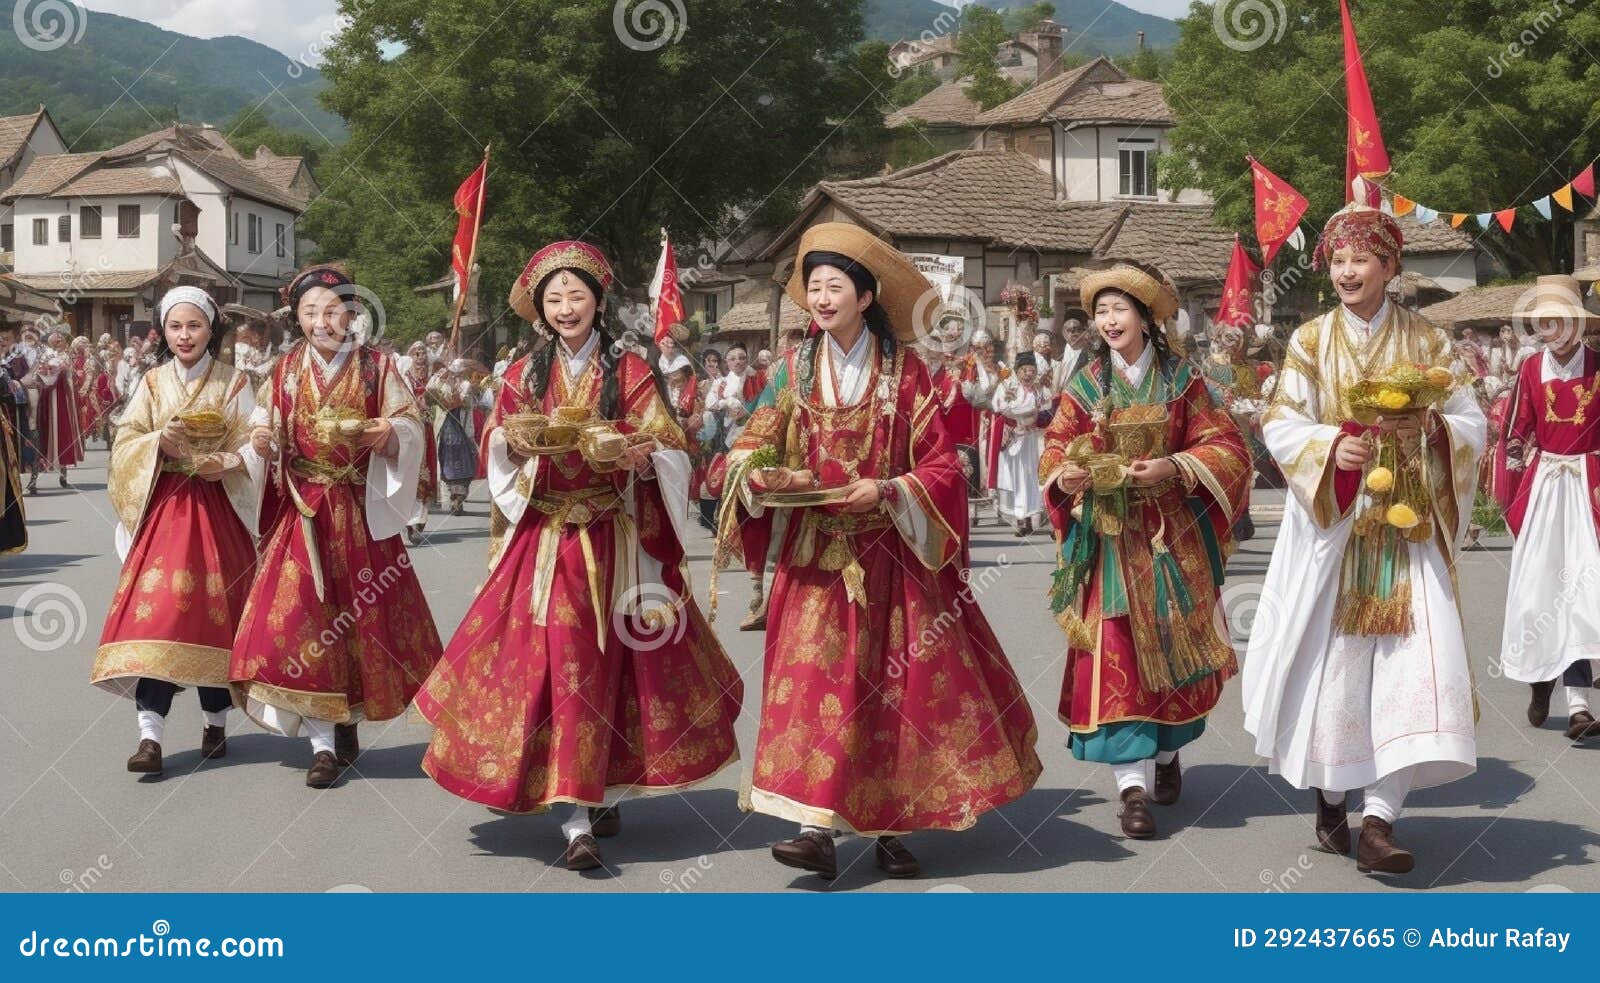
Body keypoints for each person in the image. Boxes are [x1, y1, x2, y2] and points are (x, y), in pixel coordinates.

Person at [715, 223, 1041, 881]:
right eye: (814, 286)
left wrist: (890, 488)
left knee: (895, 690)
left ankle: (894, 825)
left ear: (866, 296)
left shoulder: (906, 372)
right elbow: (754, 444)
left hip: (892, 553)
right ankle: (816, 827)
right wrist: (759, 473)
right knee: (816, 688)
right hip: (814, 558)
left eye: (836, 285)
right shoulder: (790, 370)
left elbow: (945, 467)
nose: (823, 296)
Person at [415, 241, 742, 872]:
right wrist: (513, 443)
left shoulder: (631, 372)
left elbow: (671, 445)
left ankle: (604, 785)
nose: (567, 308)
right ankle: (572, 815)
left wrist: (638, 455)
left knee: (618, 663)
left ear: (599, 302)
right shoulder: (521, 375)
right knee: (562, 663)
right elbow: (500, 441)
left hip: (616, 538)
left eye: (578, 295)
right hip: (548, 541)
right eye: (555, 298)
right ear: (540, 309)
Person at [1243, 204, 1485, 876]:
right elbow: (1282, 418)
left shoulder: (1429, 342)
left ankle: (1379, 818)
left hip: (1409, 530)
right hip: (1337, 528)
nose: (1348, 271)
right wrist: (1330, 448)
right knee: (1335, 667)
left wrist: (1433, 433)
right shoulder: (1312, 341)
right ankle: (1330, 791)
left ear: (1390, 265)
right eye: (1339, 260)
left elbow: (1469, 420)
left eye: (1362, 259)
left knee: (1417, 663)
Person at [1041, 265, 1250, 839]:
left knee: (1174, 648)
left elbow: (1227, 445)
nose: (1109, 322)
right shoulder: (1084, 386)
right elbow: (1056, 447)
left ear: (1145, 316)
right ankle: (1131, 789)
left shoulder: (1183, 379)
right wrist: (1067, 476)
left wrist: (1176, 465)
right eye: (1100, 313)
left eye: (1120, 310)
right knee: (1117, 653)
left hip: (1171, 536)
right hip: (1108, 538)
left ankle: (1165, 755)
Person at [231, 264, 443, 789]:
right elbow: (265, 421)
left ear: (352, 313)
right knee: (301, 618)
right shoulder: (284, 371)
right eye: (310, 312)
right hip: (302, 508)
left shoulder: (378, 367)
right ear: (296, 319)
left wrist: (389, 432)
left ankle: (349, 714)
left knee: (360, 620)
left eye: (333, 310)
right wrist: (261, 441)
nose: (322, 321)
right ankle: (323, 741)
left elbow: (413, 425)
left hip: (358, 508)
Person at [90, 287, 262, 775]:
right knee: (159, 617)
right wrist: (155, 442)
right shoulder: (151, 382)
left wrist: (226, 460)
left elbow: (254, 441)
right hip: (165, 510)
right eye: (175, 327)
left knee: (214, 617)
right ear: (163, 331)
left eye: (194, 326)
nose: (184, 335)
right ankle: (150, 736)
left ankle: (215, 722)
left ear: (211, 329)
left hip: (218, 510)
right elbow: (125, 442)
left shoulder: (234, 382)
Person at [1495, 275, 1600, 740]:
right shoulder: (1531, 369)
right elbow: (1517, 428)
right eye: (1546, 322)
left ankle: (1579, 705)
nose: (1554, 330)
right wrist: (1515, 457)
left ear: (1578, 323)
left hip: (1591, 486)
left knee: (1583, 592)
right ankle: (1541, 683)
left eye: (1562, 321)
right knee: (1542, 591)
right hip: (1546, 489)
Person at [707, 341, 768, 628]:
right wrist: (725, 406)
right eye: (733, 358)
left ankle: (763, 593)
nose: (739, 362)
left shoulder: (761, 378)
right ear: (727, 362)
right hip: (736, 449)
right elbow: (712, 408)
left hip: (764, 451)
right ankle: (757, 592)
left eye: (743, 357)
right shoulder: (721, 383)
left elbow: (767, 410)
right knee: (746, 514)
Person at [992, 351, 1048, 536]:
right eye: (1024, 370)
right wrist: (1020, 411)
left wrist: (1033, 414)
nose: (1028, 374)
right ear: (1017, 371)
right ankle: (1020, 520)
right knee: (1015, 478)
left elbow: (1047, 409)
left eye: (1031, 370)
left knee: (1031, 477)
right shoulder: (1008, 386)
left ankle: (1032, 518)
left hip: (1032, 441)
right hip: (1013, 440)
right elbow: (998, 406)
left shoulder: (1040, 390)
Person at [25, 328, 80, 492]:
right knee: (37, 437)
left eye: (60, 339)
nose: (58, 341)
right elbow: (32, 376)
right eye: (56, 338)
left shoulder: (64, 357)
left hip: (59, 400)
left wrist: (61, 370)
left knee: (61, 433)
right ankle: (33, 478)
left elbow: (72, 378)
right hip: (41, 401)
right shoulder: (36, 355)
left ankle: (63, 473)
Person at [429, 358, 482, 514]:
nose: (455, 375)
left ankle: (459, 499)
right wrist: (440, 377)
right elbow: (430, 389)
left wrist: (460, 393)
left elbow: (466, 402)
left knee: (465, 463)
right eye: (453, 372)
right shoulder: (441, 382)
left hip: (462, 428)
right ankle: (454, 499)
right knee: (447, 461)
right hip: (445, 429)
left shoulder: (465, 385)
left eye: (459, 372)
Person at [399, 341, 437, 543]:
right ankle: (409, 521)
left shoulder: (433, 378)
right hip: (410, 430)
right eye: (417, 353)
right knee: (409, 475)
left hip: (427, 429)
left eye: (423, 353)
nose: (420, 357)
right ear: (411, 356)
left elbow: (440, 399)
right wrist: (415, 406)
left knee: (425, 475)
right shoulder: (404, 378)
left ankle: (419, 519)